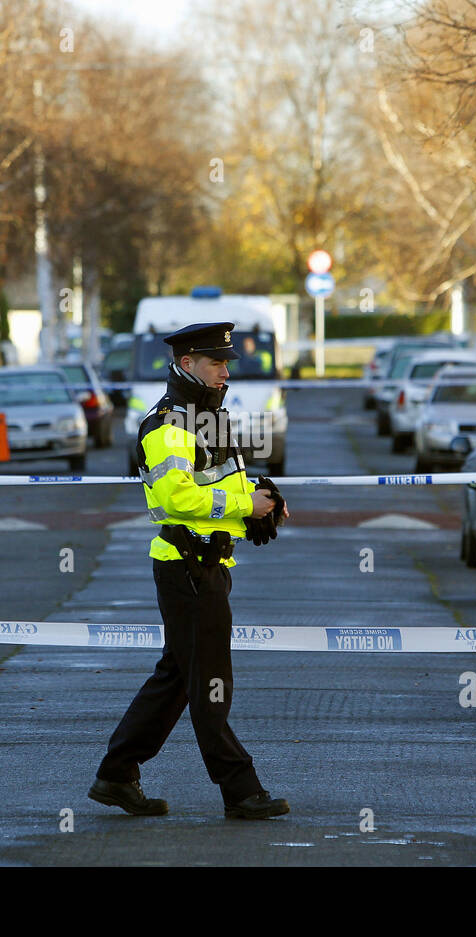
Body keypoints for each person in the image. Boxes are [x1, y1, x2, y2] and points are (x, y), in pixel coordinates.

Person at [89, 321, 291, 820]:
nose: (226, 372)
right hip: (187, 569)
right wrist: (247, 503)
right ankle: (241, 789)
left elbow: (220, 483)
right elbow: (178, 496)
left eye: (226, 363)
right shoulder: (168, 425)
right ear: (187, 365)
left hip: (205, 566)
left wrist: (260, 502)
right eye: (217, 363)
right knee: (209, 683)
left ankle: (116, 775)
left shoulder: (208, 417)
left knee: (178, 678)